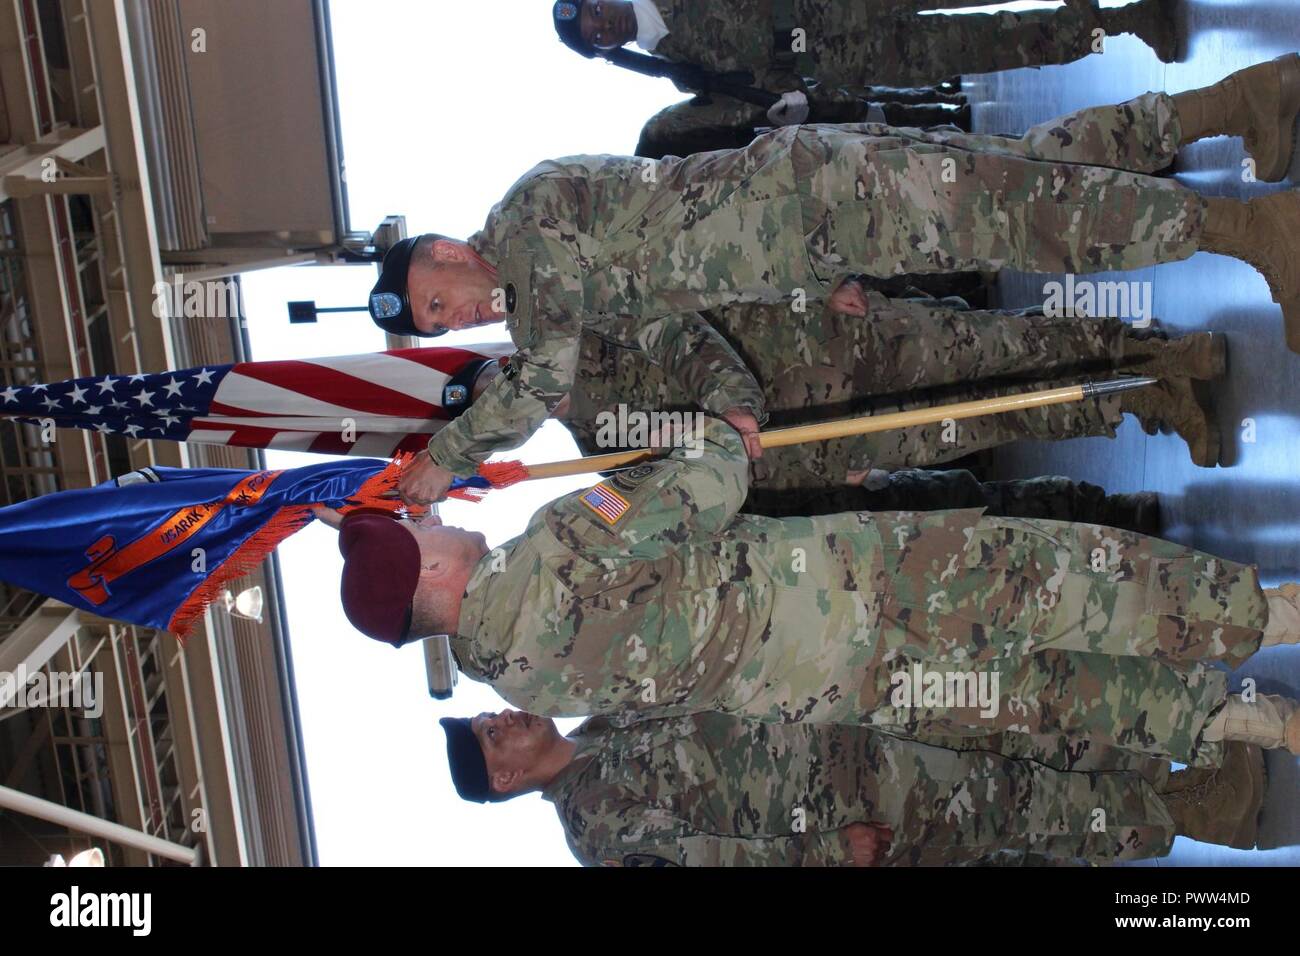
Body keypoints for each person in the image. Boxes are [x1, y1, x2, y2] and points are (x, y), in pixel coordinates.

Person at [366, 57, 1300, 505]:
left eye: (442, 299)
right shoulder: (543, 293)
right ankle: (1243, 105)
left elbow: (544, 373)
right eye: (441, 322)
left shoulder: (527, 225)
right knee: (1035, 172)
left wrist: (443, 463)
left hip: (822, 197)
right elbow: (671, 324)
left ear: (448, 251)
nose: (462, 314)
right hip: (814, 225)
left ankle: (1257, 229)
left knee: (1041, 215)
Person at [332, 417, 1300, 767]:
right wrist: (717, 435)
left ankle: (1244, 722)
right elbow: (705, 487)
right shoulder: (549, 547)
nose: (432, 518)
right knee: (1088, 587)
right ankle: (1270, 616)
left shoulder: (526, 673)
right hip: (867, 585)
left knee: (1051, 694)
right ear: (424, 572)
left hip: (845, 684)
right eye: (415, 528)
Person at [436, 708, 1267, 865]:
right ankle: (1201, 813)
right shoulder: (596, 830)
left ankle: (1176, 767)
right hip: (856, 807)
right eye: (490, 735)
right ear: (506, 778)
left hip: (857, 733)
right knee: (1030, 808)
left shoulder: (601, 725)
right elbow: (715, 863)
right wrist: (826, 854)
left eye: (487, 715)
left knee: (1028, 740)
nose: (501, 717)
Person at [554, 0, 1179, 91]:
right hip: (848, 60)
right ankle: (1123, 22)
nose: (604, 29)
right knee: (991, 46)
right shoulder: (675, 69)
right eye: (595, 39)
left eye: (597, 15)